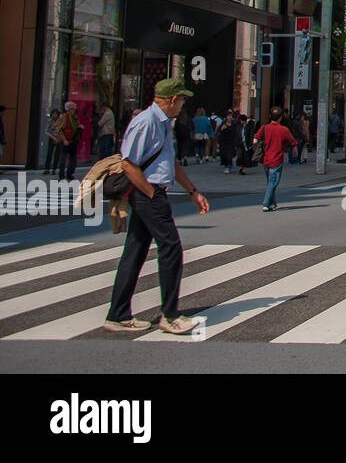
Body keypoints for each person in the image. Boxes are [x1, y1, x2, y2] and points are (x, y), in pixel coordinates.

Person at [104, 78, 208, 334]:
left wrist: (193, 192)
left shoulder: (162, 123)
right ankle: (170, 315)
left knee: (135, 250)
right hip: (147, 193)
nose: (182, 105)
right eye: (181, 100)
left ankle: (117, 314)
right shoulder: (147, 122)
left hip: (152, 191)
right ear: (172, 100)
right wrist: (151, 194)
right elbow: (129, 163)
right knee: (171, 247)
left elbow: (170, 164)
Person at [254, 108, 294, 212]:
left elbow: (256, 138)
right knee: (273, 182)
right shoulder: (284, 130)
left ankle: (273, 203)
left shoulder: (264, 128)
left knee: (270, 182)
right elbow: (292, 141)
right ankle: (266, 203)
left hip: (266, 159)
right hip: (276, 159)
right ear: (280, 118)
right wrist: (294, 150)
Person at [55, 101, 82, 182]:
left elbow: (75, 126)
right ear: (69, 108)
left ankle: (69, 173)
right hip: (66, 140)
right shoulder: (64, 116)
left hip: (73, 140)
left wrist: (79, 126)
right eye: (73, 107)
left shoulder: (74, 117)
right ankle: (61, 175)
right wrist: (64, 139)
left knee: (73, 158)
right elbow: (59, 130)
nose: (75, 108)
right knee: (63, 158)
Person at [218, 109, 241, 174]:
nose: (230, 117)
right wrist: (222, 129)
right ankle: (226, 165)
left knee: (229, 155)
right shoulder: (223, 124)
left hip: (231, 142)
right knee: (223, 155)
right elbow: (219, 132)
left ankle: (228, 167)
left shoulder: (234, 124)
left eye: (231, 116)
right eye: (228, 116)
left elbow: (237, 132)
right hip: (223, 142)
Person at [42, 108, 61, 175]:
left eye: (56, 114)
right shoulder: (50, 121)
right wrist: (53, 138)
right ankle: (47, 169)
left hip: (59, 139)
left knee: (57, 155)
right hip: (52, 138)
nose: (54, 116)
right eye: (53, 114)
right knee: (49, 153)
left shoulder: (60, 121)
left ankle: (54, 169)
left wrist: (58, 138)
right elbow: (46, 131)